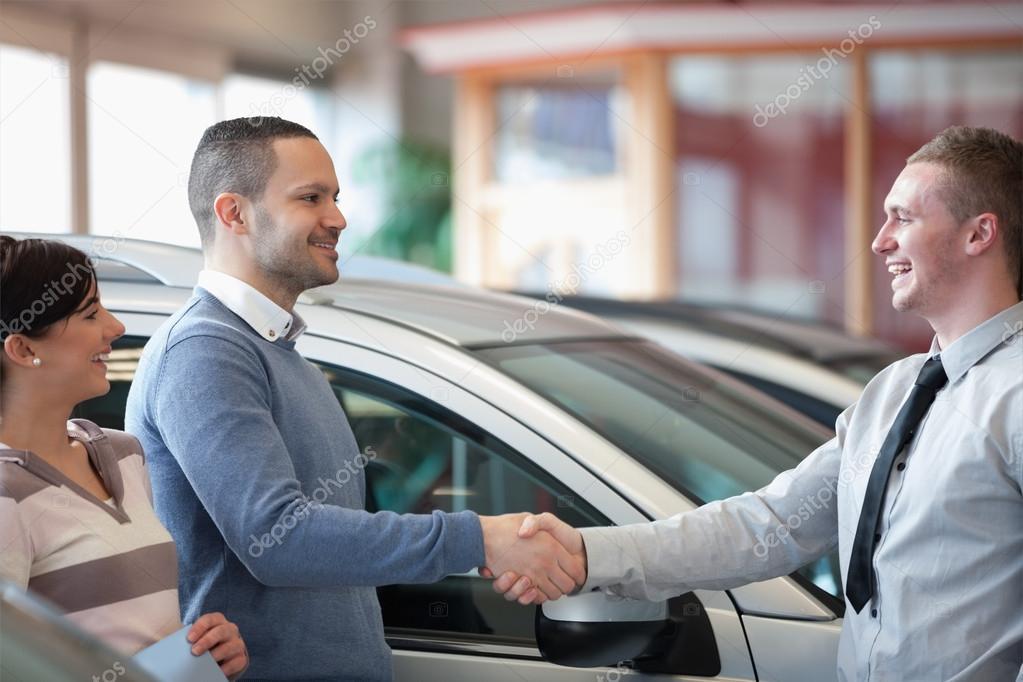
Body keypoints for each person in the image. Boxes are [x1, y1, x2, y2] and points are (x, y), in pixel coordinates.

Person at [496, 126, 1023, 681]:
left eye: (904, 217)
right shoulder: (893, 392)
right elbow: (769, 525)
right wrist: (585, 554)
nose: (880, 240)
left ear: (979, 234)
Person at [124, 117, 583, 681]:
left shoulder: (276, 349)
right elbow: (281, 538)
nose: (337, 218)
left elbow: (328, 542)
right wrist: (479, 538)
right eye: (310, 198)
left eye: (335, 197)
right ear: (233, 213)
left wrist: (484, 547)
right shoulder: (205, 351)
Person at [0, 236, 249, 678]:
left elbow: (129, 635)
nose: (114, 327)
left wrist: (200, 653)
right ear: (23, 349)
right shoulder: (6, 493)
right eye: (91, 313)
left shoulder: (123, 453)